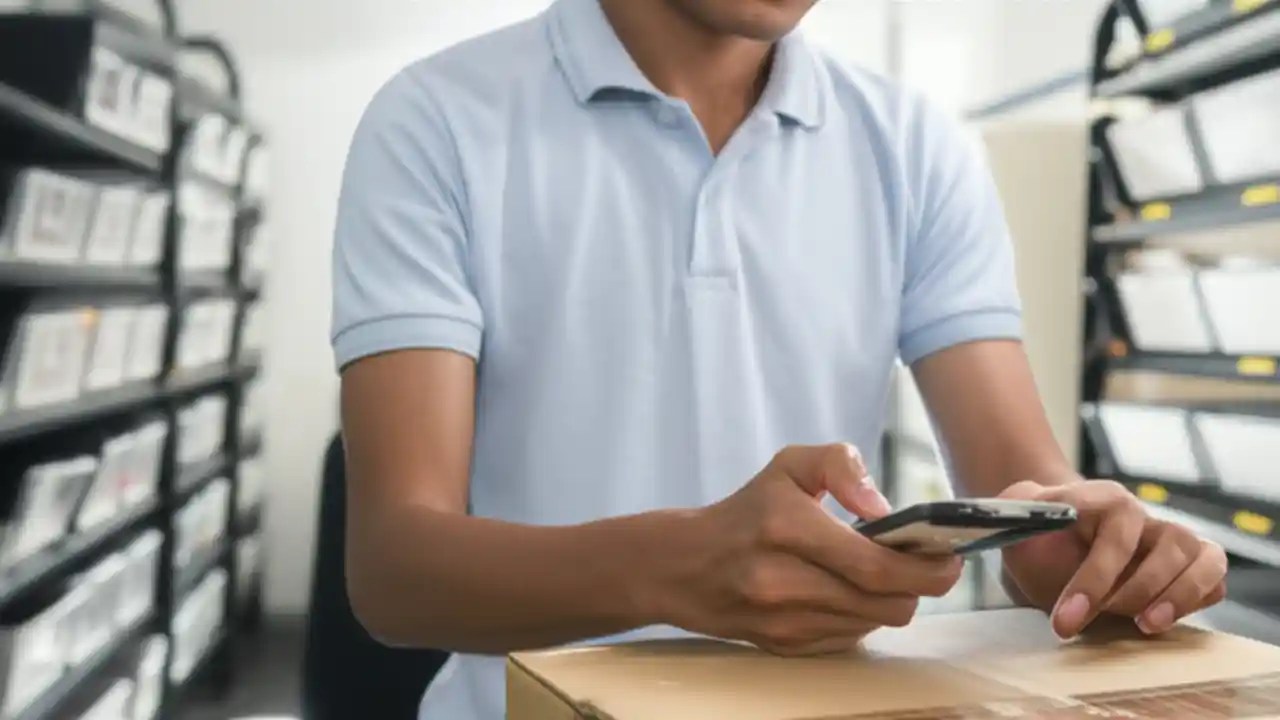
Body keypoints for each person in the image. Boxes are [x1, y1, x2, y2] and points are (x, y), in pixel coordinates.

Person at [329, 0, 1229, 718]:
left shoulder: (915, 147)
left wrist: (1090, 546)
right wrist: (675, 568)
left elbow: (1025, 500)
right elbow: (396, 572)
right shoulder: (436, 121)